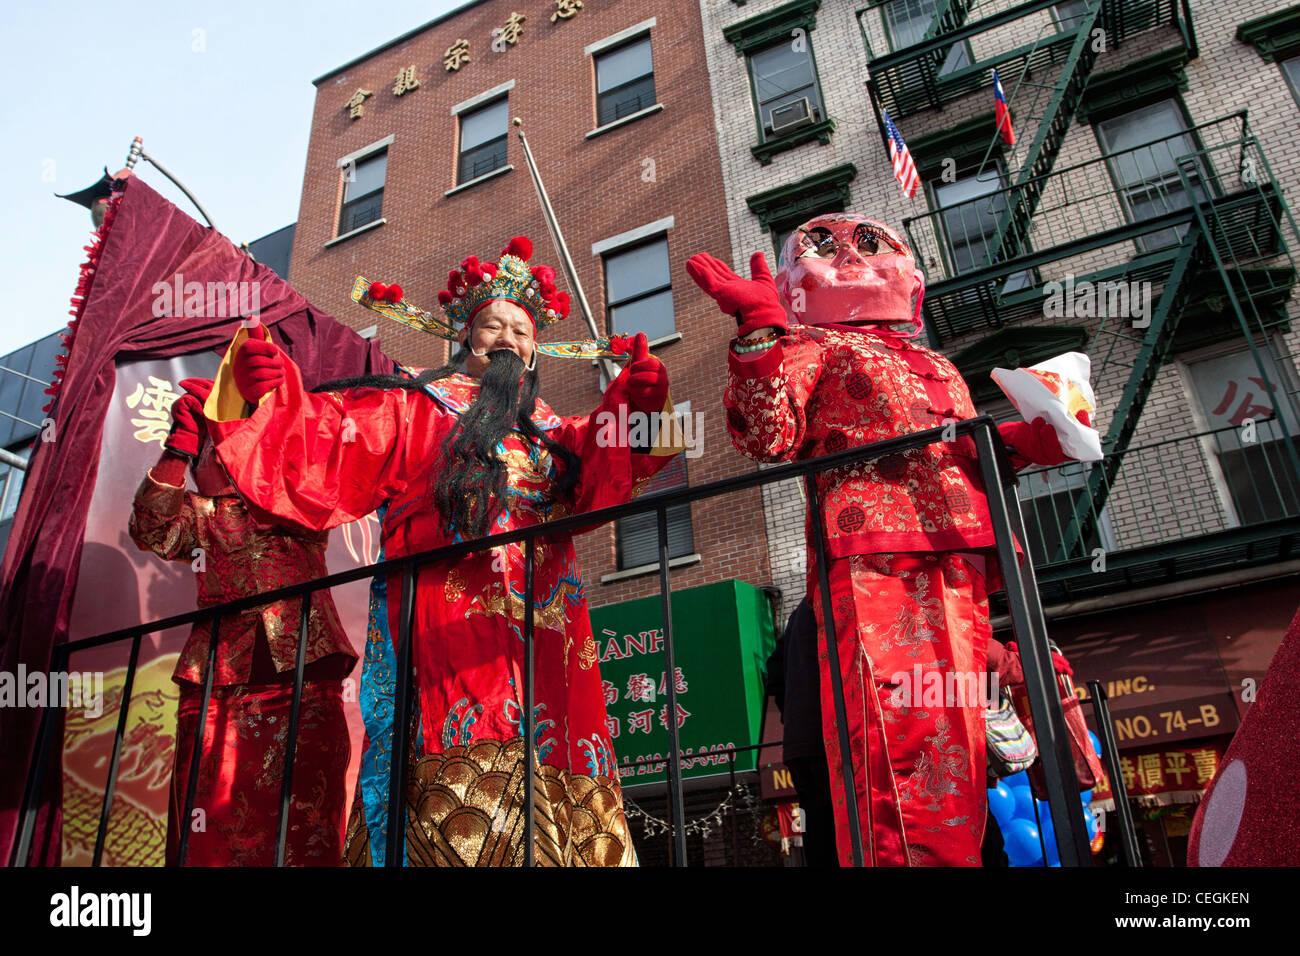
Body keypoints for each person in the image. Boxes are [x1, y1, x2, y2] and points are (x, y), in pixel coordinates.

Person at [204, 236, 675, 866]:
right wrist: (259, 392)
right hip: (440, 628)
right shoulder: (411, 410)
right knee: (451, 783)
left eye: (521, 330)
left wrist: (642, 406)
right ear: (464, 337)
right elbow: (325, 443)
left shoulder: (553, 432)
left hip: (552, 639)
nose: (509, 339)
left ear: (537, 348)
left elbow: (604, 473)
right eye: (491, 326)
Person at [688, 213, 1073, 866]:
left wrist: (1029, 439)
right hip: (873, 555)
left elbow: (959, 448)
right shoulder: (816, 345)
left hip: (962, 557)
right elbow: (769, 434)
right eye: (824, 248)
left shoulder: (936, 364)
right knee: (897, 744)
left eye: (870, 246)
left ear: (912, 283)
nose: (847, 257)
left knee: (955, 741)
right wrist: (758, 340)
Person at [129, 378, 356, 866]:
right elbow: (149, 528)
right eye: (211, 447)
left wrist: (258, 424)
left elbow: (318, 480)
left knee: (305, 823)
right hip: (217, 685)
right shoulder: (203, 514)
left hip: (301, 676)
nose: (221, 454)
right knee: (206, 826)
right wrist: (178, 446)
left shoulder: (299, 498)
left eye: (230, 441)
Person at [765, 598, 836, 866]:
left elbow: (773, 673)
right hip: (829, 738)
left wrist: (791, 716)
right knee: (846, 828)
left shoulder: (799, 614)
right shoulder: (833, 600)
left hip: (798, 745)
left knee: (816, 830)